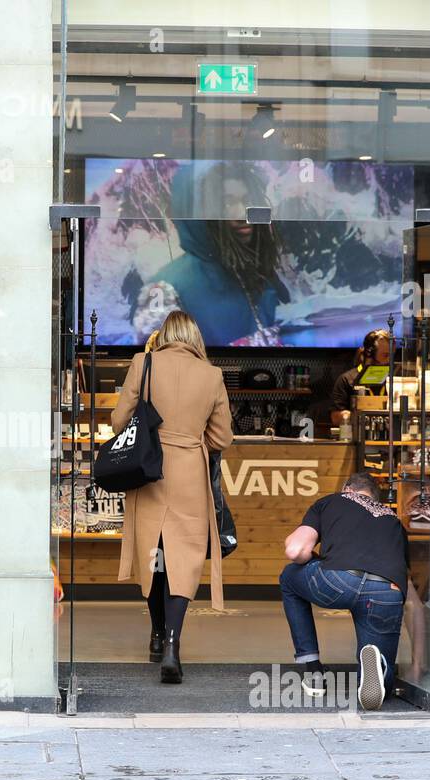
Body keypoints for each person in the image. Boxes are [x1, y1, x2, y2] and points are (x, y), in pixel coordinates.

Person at [112, 310, 233, 683]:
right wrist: (192, 441)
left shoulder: (143, 362)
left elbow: (119, 421)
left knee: (155, 555)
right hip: (189, 476)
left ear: (165, 334)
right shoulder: (212, 375)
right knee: (184, 558)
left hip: (149, 471)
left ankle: (154, 634)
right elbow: (222, 438)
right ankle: (171, 645)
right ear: (195, 336)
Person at [279, 471, 408, 710]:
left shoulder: (331, 501)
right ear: (375, 497)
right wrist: (420, 664)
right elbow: (407, 585)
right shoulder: (393, 519)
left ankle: (314, 671)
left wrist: (315, 563)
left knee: (289, 578)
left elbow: (295, 551)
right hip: (386, 591)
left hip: (338, 580)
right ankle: (376, 668)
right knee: (383, 680)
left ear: (347, 489)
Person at [130, 162, 289, 347]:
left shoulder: (256, 275)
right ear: (197, 211)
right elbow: (157, 370)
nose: (241, 213)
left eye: (246, 200)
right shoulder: (165, 290)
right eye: (226, 203)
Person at [330, 328, 392, 427]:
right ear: (369, 354)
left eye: (392, 355)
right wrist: (359, 417)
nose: (389, 360)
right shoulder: (347, 379)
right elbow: (335, 417)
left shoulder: (393, 380)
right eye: (385, 355)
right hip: (358, 437)